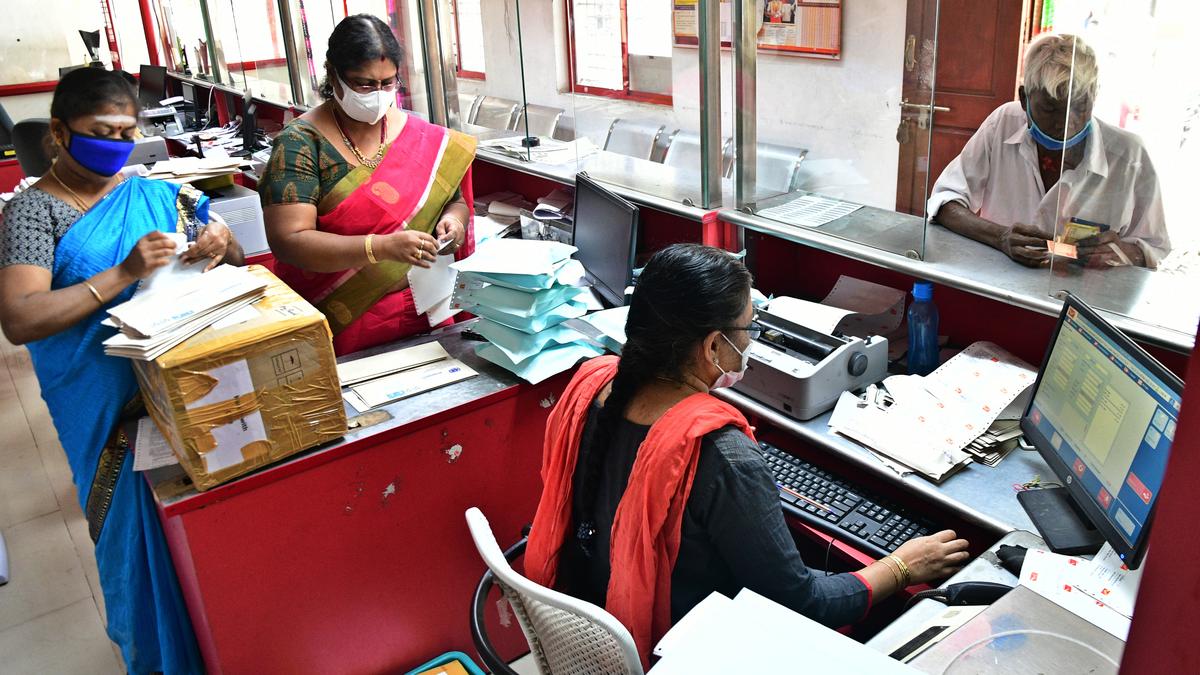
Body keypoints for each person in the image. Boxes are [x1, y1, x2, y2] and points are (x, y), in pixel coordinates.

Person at [524, 244, 969, 665]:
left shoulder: (592, 386)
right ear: (713, 346)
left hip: (593, 627)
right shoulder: (722, 455)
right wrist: (901, 567)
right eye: (749, 329)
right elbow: (804, 604)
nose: (751, 342)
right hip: (683, 649)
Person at [0, 68, 244, 674]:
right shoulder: (32, 215)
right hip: (106, 412)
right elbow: (21, 318)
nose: (116, 145)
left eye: (126, 132)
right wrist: (121, 273)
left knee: (210, 544)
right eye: (100, 133)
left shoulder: (154, 192)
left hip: (186, 395)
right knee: (136, 546)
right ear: (59, 132)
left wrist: (218, 241)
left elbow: (234, 257)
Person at [259, 14, 476, 355]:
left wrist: (455, 222)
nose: (378, 94)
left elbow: (456, 200)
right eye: (364, 84)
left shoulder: (414, 131)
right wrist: (379, 247)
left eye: (388, 83)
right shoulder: (300, 144)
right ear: (333, 74)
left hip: (426, 310)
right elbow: (289, 241)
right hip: (345, 321)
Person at [928, 33, 1169, 269]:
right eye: (1050, 109)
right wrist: (1000, 237)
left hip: (1086, 298)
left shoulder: (1130, 156)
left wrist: (1122, 251)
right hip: (1002, 284)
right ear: (1024, 99)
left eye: (1079, 107)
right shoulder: (1003, 123)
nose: (1066, 123)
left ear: (1094, 97)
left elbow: (1154, 248)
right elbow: (944, 202)